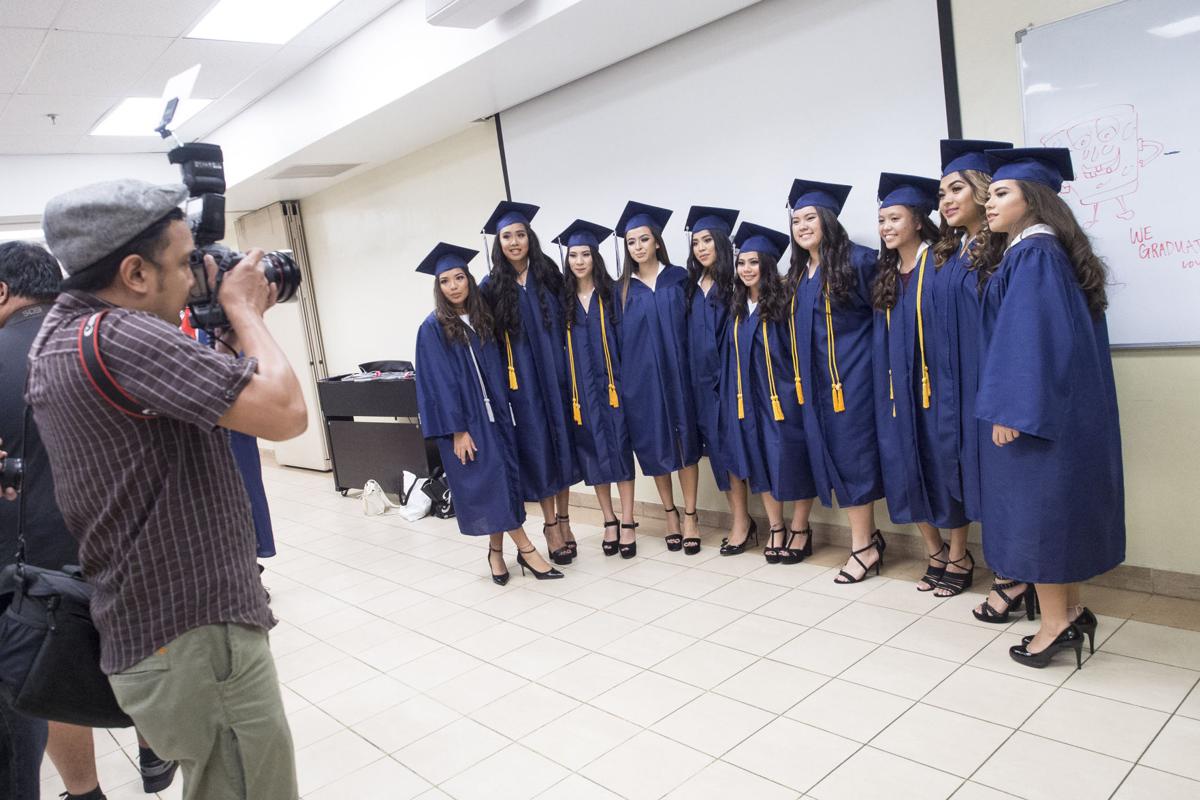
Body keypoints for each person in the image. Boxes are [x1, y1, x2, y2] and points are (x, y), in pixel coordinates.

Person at [26, 179, 306, 799]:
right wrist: (245, 312)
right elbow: (285, 412)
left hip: (153, 628)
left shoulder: (61, 335)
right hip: (195, 634)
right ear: (134, 271)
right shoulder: (120, 336)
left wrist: (230, 336)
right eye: (182, 263)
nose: (195, 277)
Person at [1, 240, 179, 800]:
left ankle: (85, 791)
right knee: (139, 656)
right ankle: (155, 756)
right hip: (132, 542)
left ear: (2, 291)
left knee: (51, 670)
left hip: (36, 554)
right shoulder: (108, 340)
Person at [976, 147, 1123, 668]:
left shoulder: (1034, 254)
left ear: (1032, 200)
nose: (986, 202)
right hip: (1057, 413)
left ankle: (1056, 624)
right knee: (1056, 512)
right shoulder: (1046, 251)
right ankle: (1073, 609)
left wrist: (1012, 410)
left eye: (999, 193)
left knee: (1039, 515)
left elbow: (1030, 339)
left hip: (1034, 415)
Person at [414, 242, 564, 582]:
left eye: (459, 278)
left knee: (504, 485)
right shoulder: (432, 328)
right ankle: (527, 551)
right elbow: (437, 385)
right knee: (494, 485)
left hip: (498, 416)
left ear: (469, 279)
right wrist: (457, 431)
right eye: (445, 281)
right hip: (468, 425)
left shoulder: (482, 318)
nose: (453, 286)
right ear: (437, 287)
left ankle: (496, 554)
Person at [870, 173, 973, 595]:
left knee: (944, 467)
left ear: (917, 219)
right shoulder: (887, 273)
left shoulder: (944, 262)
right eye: (881, 221)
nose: (886, 228)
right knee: (904, 469)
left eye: (894, 218)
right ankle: (933, 550)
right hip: (898, 393)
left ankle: (960, 554)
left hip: (937, 389)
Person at [786, 180, 884, 583]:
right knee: (836, 457)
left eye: (810, 218)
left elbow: (882, 320)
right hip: (817, 386)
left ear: (828, 220)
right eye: (796, 221)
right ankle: (869, 538)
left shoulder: (860, 261)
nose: (803, 226)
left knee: (853, 458)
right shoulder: (799, 272)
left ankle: (863, 547)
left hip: (853, 382)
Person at [931, 139, 1015, 603]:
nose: (946, 200)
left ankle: (1012, 574)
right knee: (972, 477)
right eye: (942, 192)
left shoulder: (1000, 250)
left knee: (1002, 481)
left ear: (982, 192)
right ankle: (1006, 569)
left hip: (987, 386)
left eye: (956, 188)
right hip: (957, 388)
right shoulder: (955, 250)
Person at [479, 202, 580, 565]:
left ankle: (566, 521)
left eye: (520, 234)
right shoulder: (490, 287)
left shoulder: (549, 273)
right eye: (507, 236)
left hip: (557, 379)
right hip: (523, 387)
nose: (515, 241)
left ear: (529, 238)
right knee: (540, 452)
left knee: (563, 448)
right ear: (499, 243)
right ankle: (550, 525)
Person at [719, 222, 817, 562]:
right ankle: (776, 526)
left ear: (768, 264)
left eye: (753, 262)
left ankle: (801, 527)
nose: (746, 269)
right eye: (741, 263)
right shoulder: (736, 306)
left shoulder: (786, 300)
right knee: (759, 460)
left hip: (784, 398)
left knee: (794, 459)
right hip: (749, 400)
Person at [614, 201, 702, 557]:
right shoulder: (620, 290)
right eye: (632, 241)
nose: (638, 246)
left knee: (687, 449)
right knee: (657, 448)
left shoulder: (679, 278)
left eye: (644, 239)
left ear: (656, 241)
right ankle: (670, 514)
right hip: (643, 384)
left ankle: (692, 516)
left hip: (680, 376)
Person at [553, 220, 638, 556]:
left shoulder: (612, 293)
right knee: (594, 456)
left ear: (595, 257)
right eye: (573, 255)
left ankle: (628, 519)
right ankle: (609, 520)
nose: (578, 261)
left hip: (613, 388)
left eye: (585, 254)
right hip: (581, 394)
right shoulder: (562, 301)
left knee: (620, 452)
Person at [683, 206, 739, 555]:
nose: (701, 248)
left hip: (731, 383)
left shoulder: (734, 282)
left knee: (735, 453)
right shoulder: (690, 287)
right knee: (719, 454)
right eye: (696, 242)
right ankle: (741, 521)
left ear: (721, 242)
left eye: (707, 240)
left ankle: (743, 523)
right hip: (700, 385)